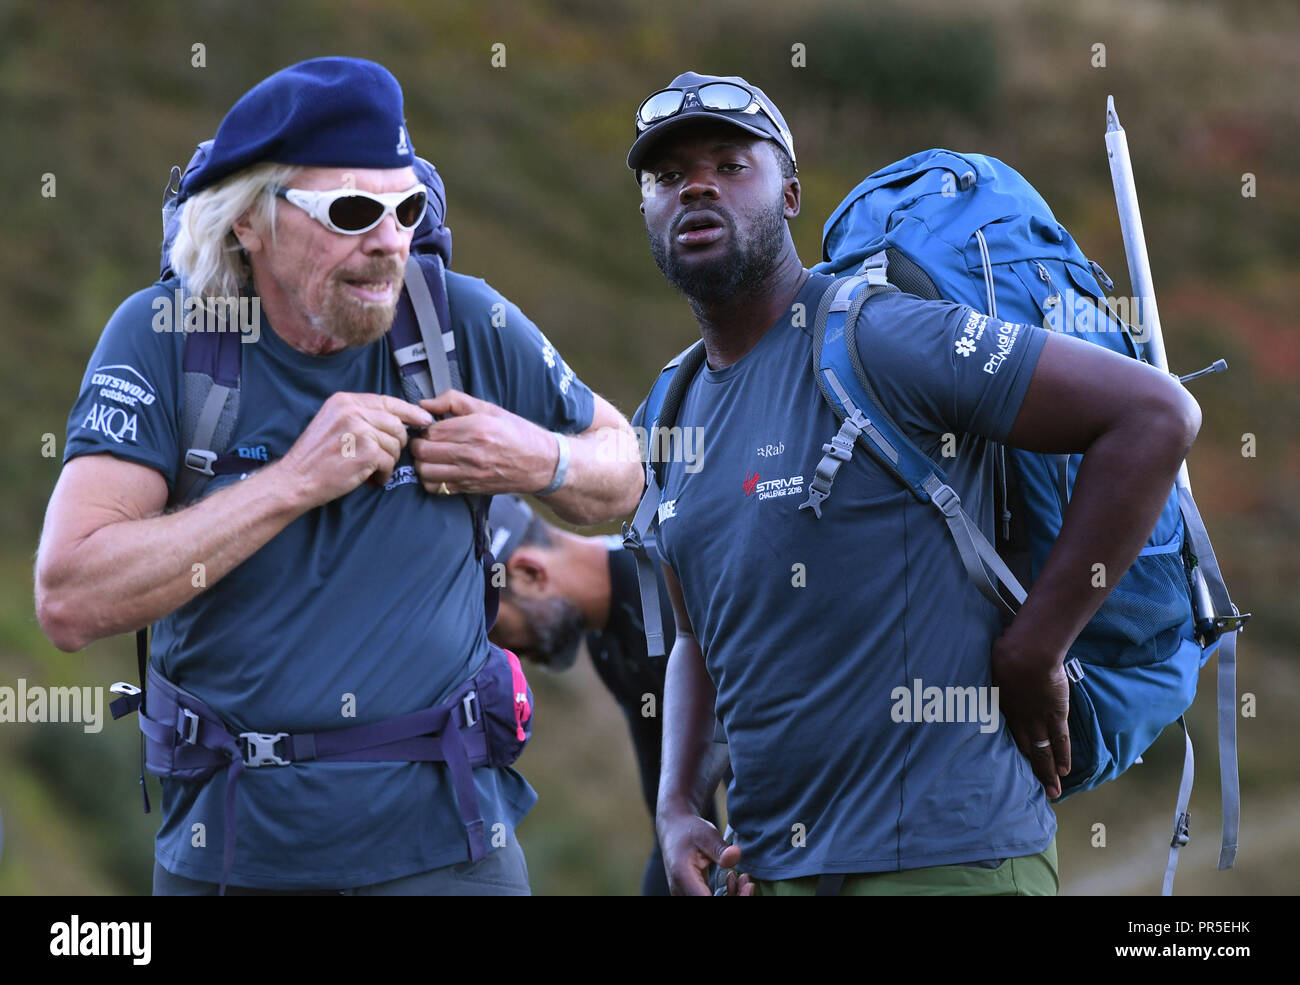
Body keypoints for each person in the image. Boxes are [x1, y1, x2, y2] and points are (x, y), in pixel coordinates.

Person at [33, 56, 643, 896]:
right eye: (353, 211)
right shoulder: (166, 337)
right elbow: (69, 597)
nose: (391, 239)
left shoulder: (458, 319)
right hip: (234, 859)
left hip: (455, 854)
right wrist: (291, 481)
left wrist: (541, 458)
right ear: (250, 222)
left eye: (406, 207)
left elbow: (626, 468)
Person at [626, 72, 1202, 896]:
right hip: (774, 870)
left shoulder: (877, 337)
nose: (697, 186)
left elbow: (1155, 417)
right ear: (647, 210)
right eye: (668, 176)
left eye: (728, 163)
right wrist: (679, 802)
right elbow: (695, 637)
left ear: (789, 194)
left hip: (947, 861)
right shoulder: (668, 409)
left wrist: (1038, 643)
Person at [485, 494, 718, 895]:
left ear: (528, 573)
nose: (509, 655)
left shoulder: (672, 585)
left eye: (496, 630)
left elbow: (765, 802)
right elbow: (674, 834)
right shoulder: (606, 638)